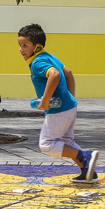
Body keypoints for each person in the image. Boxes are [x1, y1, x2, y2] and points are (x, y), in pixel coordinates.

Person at [17, 23, 99, 183]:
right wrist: (70, 98)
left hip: (57, 110)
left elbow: (54, 75)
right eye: (20, 45)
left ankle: (85, 156)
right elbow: (67, 73)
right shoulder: (50, 57)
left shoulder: (37, 62)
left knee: (47, 144)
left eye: (25, 45)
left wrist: (46, 100)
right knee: (66, 141)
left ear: (38, 47)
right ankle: (88, 171)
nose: (21, 49)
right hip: (69, 106)